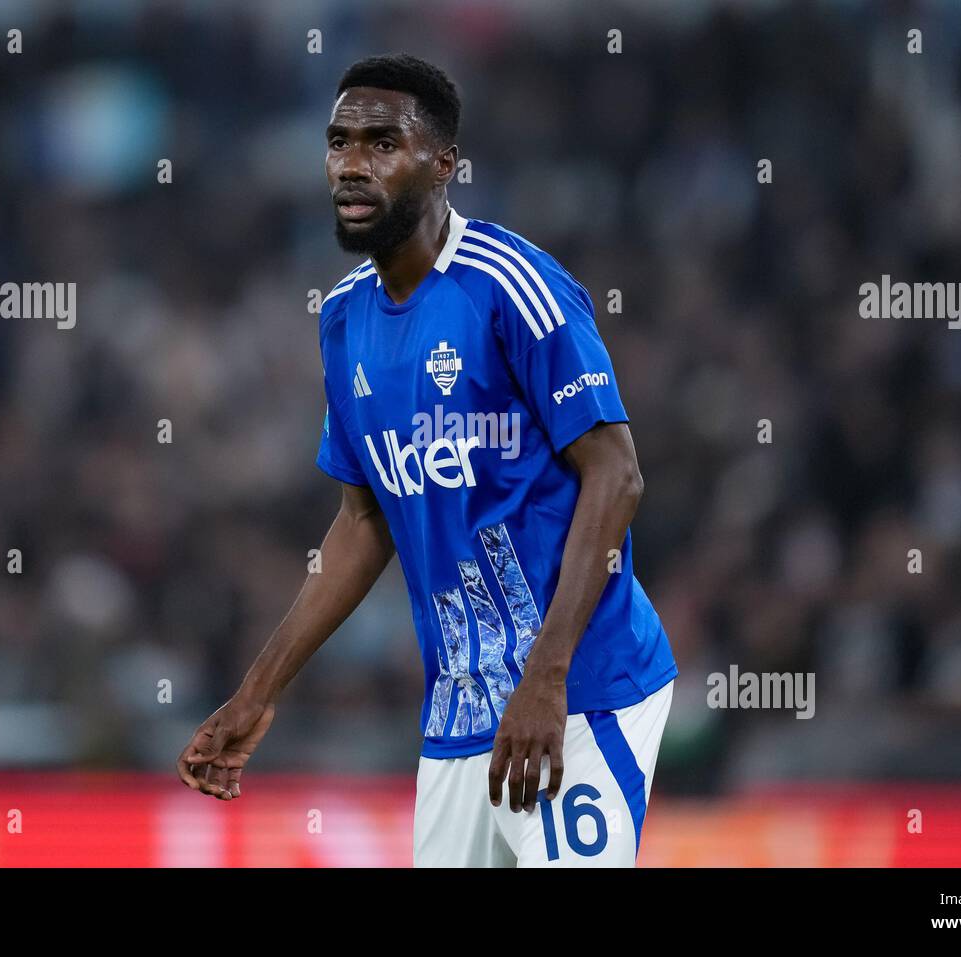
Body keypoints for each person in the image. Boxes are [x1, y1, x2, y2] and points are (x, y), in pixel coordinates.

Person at [177, 53, 677, 867]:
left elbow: (617, 473)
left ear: (443, 164)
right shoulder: (342, 320)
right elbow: (362, 522)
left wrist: (548, 676)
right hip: (458, 712)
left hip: (580, 689)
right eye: (339, 142)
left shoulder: (511, 285)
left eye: (382, 143)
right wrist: (256, 691)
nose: (351, 164)